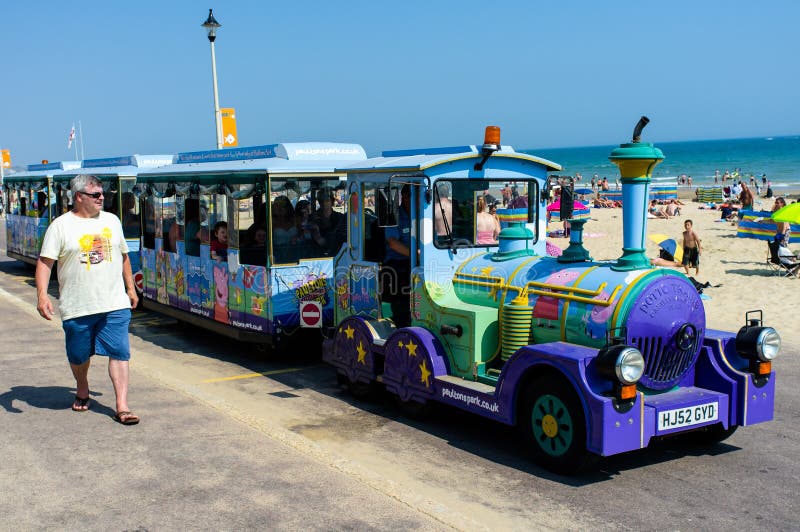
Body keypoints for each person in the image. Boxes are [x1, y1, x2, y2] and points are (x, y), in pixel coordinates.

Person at [34, 174, 139, 424]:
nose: (102, 198)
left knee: (120, 351)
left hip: (114, 303)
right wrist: (42, 295)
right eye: (96, 195)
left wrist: (130, 288)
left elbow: (123, 256)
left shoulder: (112, 221)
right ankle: (82, 387)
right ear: (79, 197)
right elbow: (45, 263)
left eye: (103, 194)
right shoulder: (60, 226)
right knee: (79, 355)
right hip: (78, 305)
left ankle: (122, 406)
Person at [382, 184, 412, 327]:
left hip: (416, 261)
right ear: (405, 197)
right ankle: (401, 322)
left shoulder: (423, 214)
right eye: (416, 196)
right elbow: (392, 243)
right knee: (400, 280)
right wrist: (416, 255)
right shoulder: (394, 216)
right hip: (397, 262)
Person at [311, 188, 346, 255]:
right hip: (316, 254)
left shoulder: (340, 217)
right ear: (319, 202)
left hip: (338, 254)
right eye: (321, 201)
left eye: (327, 200)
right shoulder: (312, 218)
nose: (324, 203)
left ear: (332, 201)